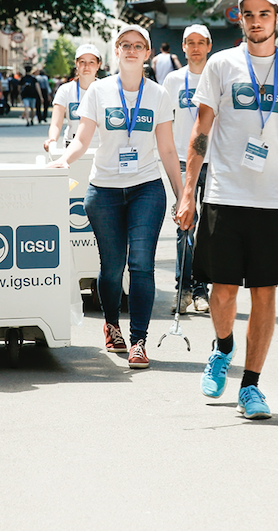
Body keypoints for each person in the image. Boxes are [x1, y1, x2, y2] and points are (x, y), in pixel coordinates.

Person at [176, 0, 278, 420]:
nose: (257, 21)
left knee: (265, 295)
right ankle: (222, 348)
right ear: (239, 18)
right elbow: (200, 132)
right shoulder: (222, 65)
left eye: (265, 13)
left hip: (274, 200)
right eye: (249, 14)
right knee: (223, 291)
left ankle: (250, 387)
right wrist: (188, 191)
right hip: (226, 195)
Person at [47, 24, 183, 370]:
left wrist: (183, 195)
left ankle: (138, 340)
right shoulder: (99, 91)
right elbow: (82, 138)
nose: (132, 50)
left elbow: (167, 149)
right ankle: (111, 324)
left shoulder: (158, 95)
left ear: (148, 53)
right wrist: (63, 159)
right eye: (125, 45)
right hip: (104, 189)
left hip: (147, 188)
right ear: (116, 51)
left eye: (139, 46)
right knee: (111, 269)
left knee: (140, 264)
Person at [161, 24, 213, 314]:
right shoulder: (173, 80)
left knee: (207, 228)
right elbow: (164, 121)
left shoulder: (217, 76)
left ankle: (201, 289)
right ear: (183, 47)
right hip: (182, 159)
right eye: (189, 42)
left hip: (215, 161)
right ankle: (183, 290)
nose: (195, 47)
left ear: (209, 46)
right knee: (185, 224)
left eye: (200, 42)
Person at [45, 44, 101, 152]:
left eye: (91, 62)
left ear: (98, 65)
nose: (86, 66)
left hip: (98, 149)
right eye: (82, 62)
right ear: (76, 64)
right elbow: (56, 123)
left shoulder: (106, 89)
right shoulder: (65, 90)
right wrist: (52, 139)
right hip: (72, 146)